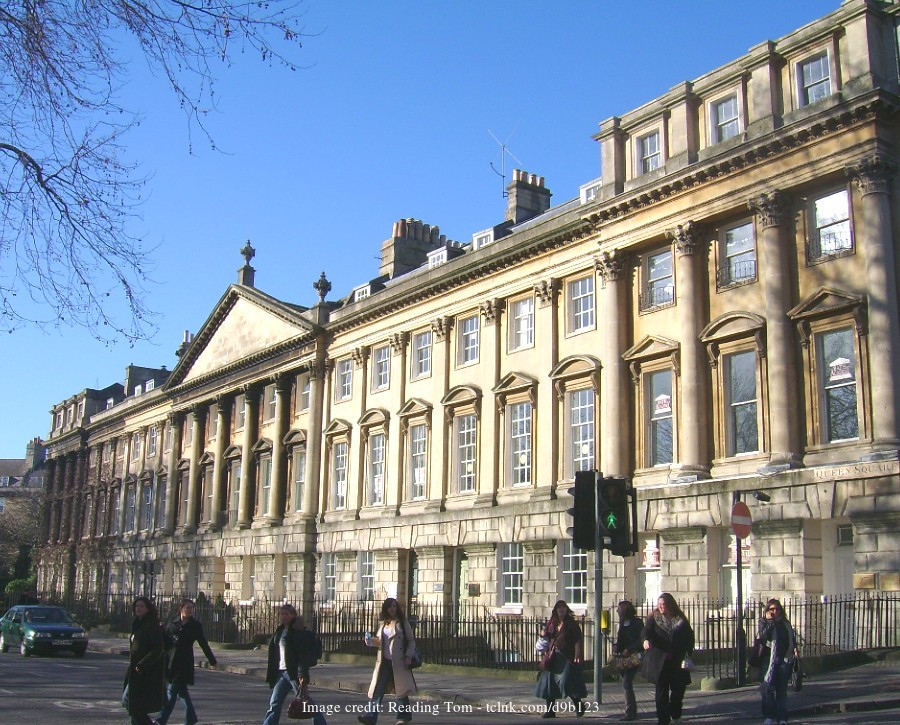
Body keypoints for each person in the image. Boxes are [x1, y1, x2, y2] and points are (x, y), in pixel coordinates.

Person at [358, 597, 418, 725]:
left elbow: (412, 641)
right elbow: (380, 642)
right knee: (378, 690)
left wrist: (408, 656)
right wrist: (370, 641)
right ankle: (370, 717)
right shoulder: (383, 623)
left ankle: (403, 717)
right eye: (390, 606)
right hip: (384, 663)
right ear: (386, 608)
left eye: (394, 606)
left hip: (399, 663)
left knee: (401, 691)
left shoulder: (402, 622)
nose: (392, 609)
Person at [158, 598, 218, 725]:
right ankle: (190, 718)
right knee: (181, 692)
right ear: (181, 609)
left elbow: (203, 644)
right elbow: (163, 639)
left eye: (191, 608)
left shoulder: (195, 626)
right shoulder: (172, 622)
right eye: (187, 607)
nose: (190, 610)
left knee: (172, 691)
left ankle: (161, 720)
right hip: (171, 661)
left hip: (184, 662)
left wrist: (212, 660)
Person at [641, 593, 694, 725]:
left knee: (678, 691)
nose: (661, 607)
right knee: (661, 692)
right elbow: (646, 631)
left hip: (677, 661)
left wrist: (688, 652)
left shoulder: (680, 619)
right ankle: (663, 719)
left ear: (670, 605)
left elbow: (689, 636)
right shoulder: (654, 618)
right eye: (659, 604)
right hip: (660, 662)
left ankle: (675, 713)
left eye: (663, 604)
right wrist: (645, 640)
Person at [263, 603, 319, 725]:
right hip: (281, 673)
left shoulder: (298, 632)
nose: (284, 617)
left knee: (306, 701)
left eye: (287, 614)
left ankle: (320, 722)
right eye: (282, 614)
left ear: (293, 615)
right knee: (275, 702)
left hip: (294, 673)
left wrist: (302, 674)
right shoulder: (280, 631)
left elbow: (302, 656)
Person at [534, 600, 587, 719]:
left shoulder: (571, 624)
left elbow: (578, 639)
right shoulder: (552, 623)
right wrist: (543, 634)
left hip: (566, 657)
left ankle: (579, 706)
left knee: (566, 682)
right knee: (549, 683)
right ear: (556, 611)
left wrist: (578, 654)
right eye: (559, 609)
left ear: (567, 610)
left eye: (564, 609)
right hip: (552, 656)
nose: (562, 611)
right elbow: (546, 636)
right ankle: (550, 710)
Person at [125, 596, 166, 725]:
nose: (138, 608)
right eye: (137, 606)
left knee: (133, 706)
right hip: (135, 670)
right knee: (132, 705)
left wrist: (143, 664)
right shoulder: (137, 623)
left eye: (142, 606)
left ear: (148, 609)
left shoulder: (152, 625)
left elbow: (158, 648)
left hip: (146, 671)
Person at [757, 598, 796, 725]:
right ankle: (769, 715)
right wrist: (771, 622)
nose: (775, 611)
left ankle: (782, 718)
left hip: (784, 660)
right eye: (772, 609)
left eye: (777, 609)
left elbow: (792, 639)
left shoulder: (785, 623)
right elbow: (763, 637)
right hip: (768, 661)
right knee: (767, 689)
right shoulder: (763, 622)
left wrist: (794, 651)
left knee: (781, 691)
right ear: (767, 610)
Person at [615, 600, 643, 722]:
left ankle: (630, 712)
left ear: (625, 610)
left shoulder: (637, 623)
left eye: (619, 609)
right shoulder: (622, 623)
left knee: (627, 682)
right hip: (624, 657)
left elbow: (641, 640)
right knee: (626, 683)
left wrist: (630, 649)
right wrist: (617, 646)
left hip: (634, 656)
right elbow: (621, 639)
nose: (617, 611)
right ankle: (631, 710)